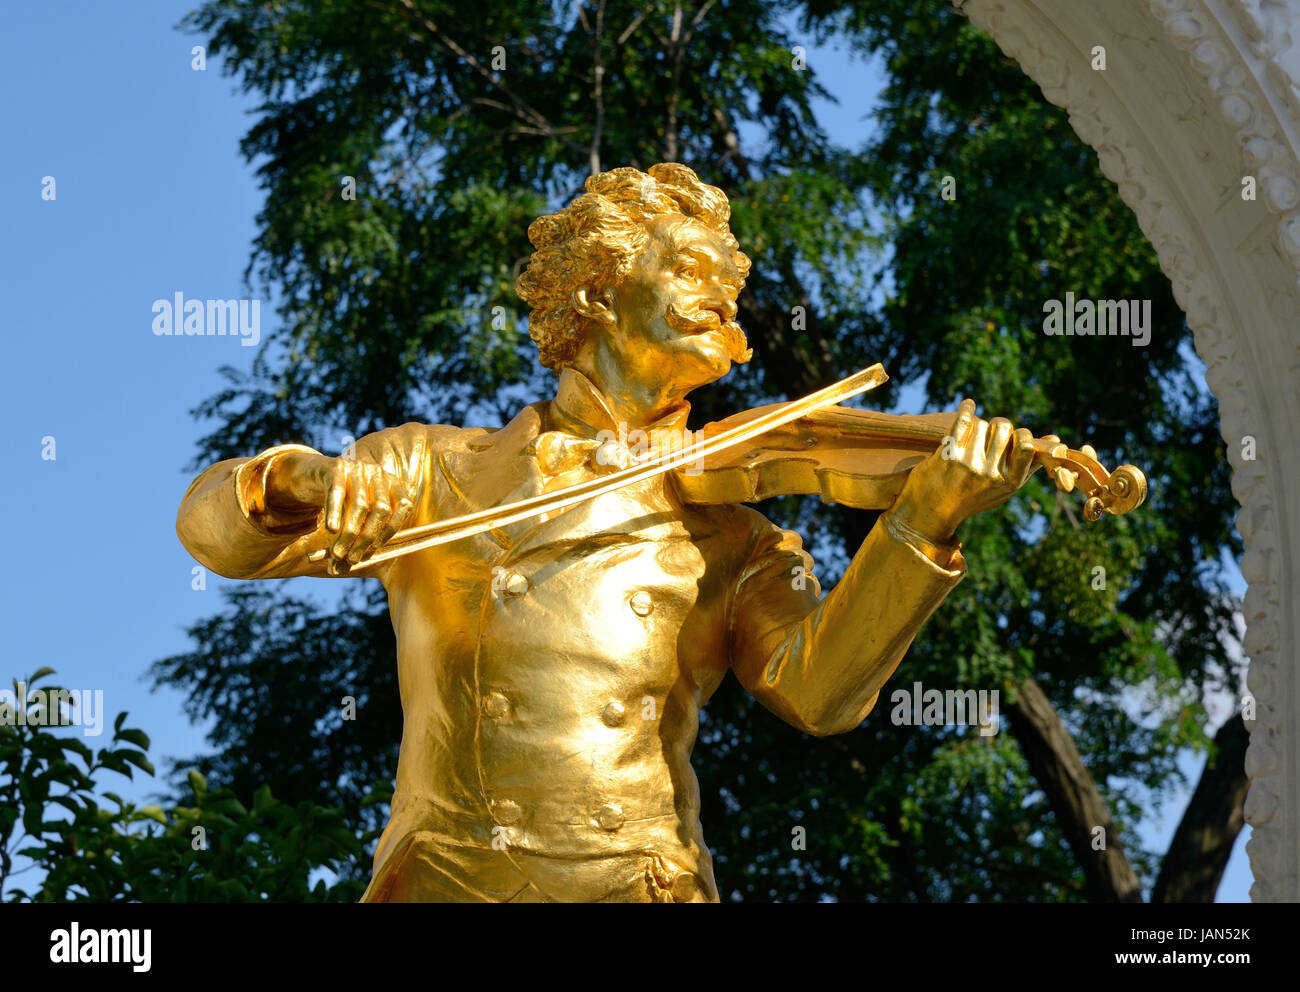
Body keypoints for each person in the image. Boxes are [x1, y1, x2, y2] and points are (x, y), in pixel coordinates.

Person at [176, 163, 1040, 902]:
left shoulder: (735, 536)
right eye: (693, 273)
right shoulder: (435, 473)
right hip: (448, 877)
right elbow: (210, 535)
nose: (723, 301)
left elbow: (820, 694)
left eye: (731, 289)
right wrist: (295, 478)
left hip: (638, 881)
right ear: (600, 287)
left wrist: (924, 518)